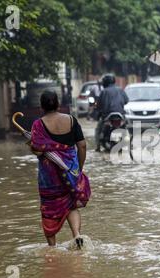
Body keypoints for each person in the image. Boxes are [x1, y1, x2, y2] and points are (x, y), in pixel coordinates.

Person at [30, 90, 91, 248]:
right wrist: (78, 169)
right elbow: (82, 145)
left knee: (49, 209)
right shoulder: (71, 120)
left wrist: (33, 146)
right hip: (70, 172)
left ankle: (52, 248)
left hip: (49, 179)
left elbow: (38, 150)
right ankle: (77, 234)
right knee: (71, 205)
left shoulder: (38, 125)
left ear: (41, 106)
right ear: (58, 104)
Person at [94, 74, 129, 151]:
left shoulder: (103, 91)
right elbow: (126, 101)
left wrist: (98, 110)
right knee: (126, 126)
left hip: (107, 116)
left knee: (98, 129)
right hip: (120, 115)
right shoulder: (120, 90)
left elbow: (99, 105)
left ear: (105, 82)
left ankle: (97, 146)